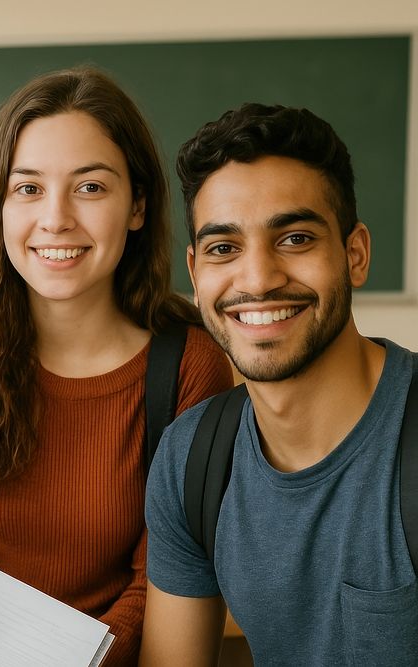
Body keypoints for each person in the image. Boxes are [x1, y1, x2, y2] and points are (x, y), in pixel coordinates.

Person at [0, 67, 233, 666]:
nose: (56, 218)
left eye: (90, 187)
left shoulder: (189, 368)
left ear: (137, 205)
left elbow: (161, 583)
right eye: (28, 188)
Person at [142, 103, 418, 665]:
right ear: (195, 274)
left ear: (355, 255)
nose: (259, 279)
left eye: (294, 238)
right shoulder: (191, 460)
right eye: (224, 248)